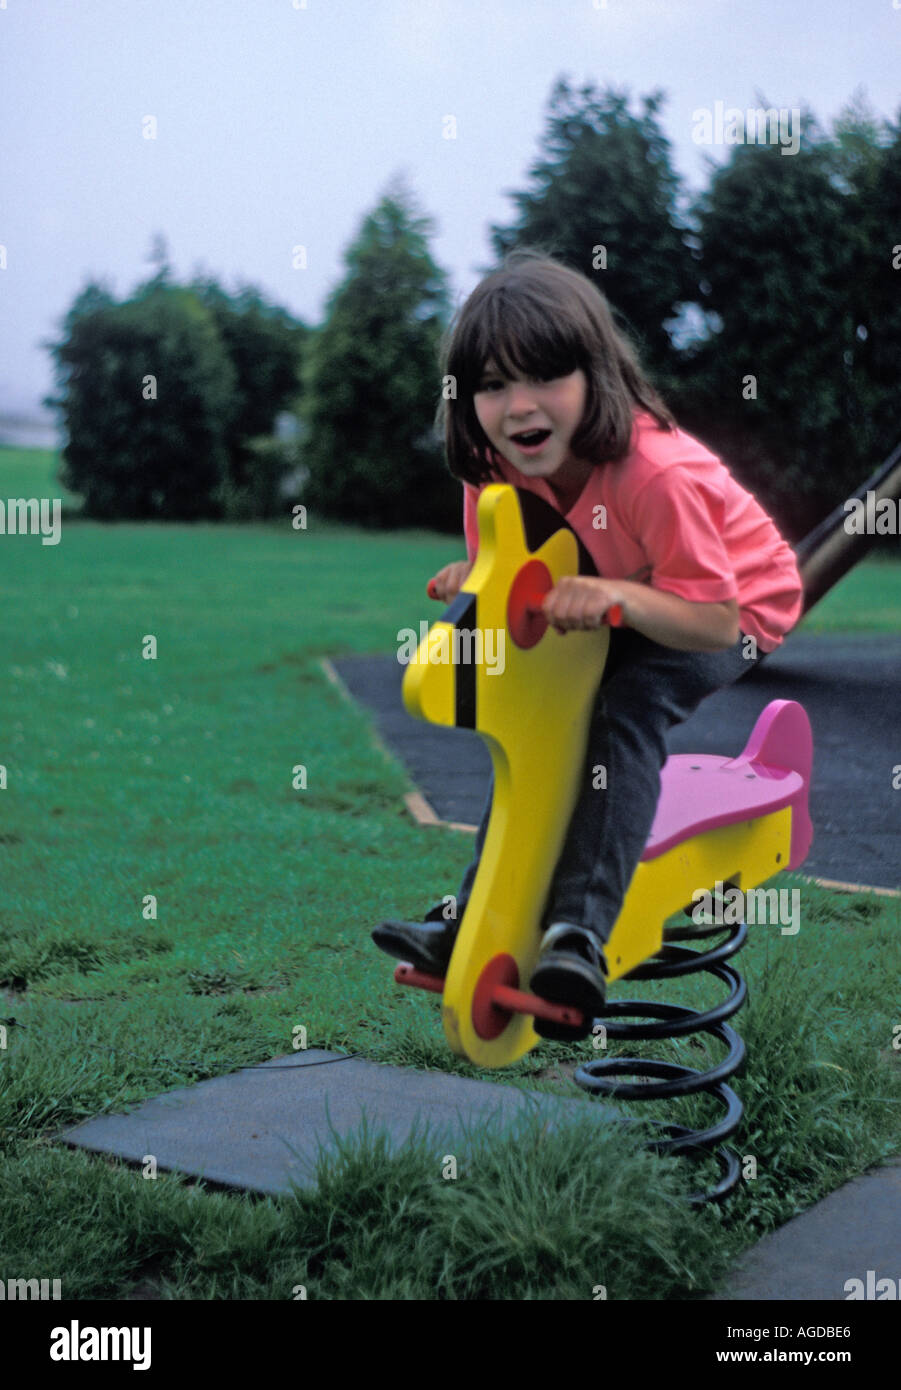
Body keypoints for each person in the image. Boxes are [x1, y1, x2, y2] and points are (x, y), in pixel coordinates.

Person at [372, 250, 803, 1041]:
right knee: (535, 726)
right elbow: (504, 573)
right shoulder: (492, 471)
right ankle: (472, 918)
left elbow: (711, 618)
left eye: (544, 377)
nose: (518, 405)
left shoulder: (654, 474)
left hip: (729, 602)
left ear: (595, 377)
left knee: (619, 709)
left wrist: (614, 597)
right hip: (620, 595)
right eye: (493, 385)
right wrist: (475, 575)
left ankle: (577, 934)